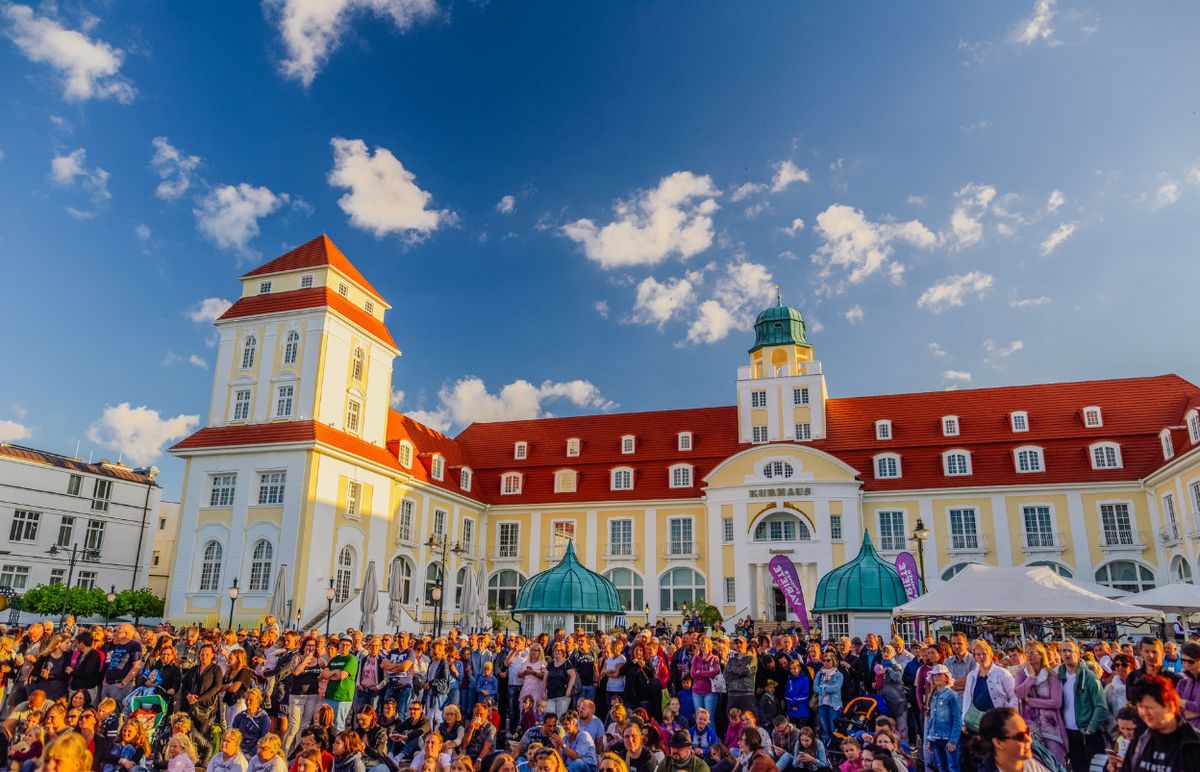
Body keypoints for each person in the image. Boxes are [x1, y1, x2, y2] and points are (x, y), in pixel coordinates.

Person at [1109, 674, 1200, 771]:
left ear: (1170, 705)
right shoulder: (1140, 738)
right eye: (1140, 707)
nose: (1144, 713)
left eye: (1149, 707)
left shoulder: (1193, 744)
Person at [1057, 641, 1108, 772]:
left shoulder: (1090, 677)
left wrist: (1091, 728)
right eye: (1063, 651)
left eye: (1070, 651)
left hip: (1088, 733)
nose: (1067, 654)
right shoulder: (1058, 677)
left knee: (1096, 769)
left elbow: (1101, 707)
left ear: (1078, 654)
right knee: (1078, 768)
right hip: (1069, 733)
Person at [1014, 642, 1066, 766]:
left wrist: (1031, 702)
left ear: (1041, 655)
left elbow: (1056, 702)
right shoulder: (1022, 673)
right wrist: (1031, 677)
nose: (1029, 656)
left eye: (1033, 653)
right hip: (1030, 726)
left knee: (1056, 763)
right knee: (1036, 764)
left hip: (1051, 726)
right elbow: (1019, 694)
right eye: (1027, 653)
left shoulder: (1051, 675)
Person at [971, 708, 1052, 772]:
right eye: (1020, 736)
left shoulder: (1037, 751)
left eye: (1027, 731)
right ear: (998, 743)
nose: (1029, 740)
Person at [925, 664, 961, 772]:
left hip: (947, 738)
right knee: (941, 766)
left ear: (946, 677)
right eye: (934, 675)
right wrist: (929, 738)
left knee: (952, 766)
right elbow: (932, 719)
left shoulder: (951, 695)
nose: (936, 677)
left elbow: (957, 718)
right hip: (936, 738)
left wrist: (953, 740)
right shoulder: (934, 695)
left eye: (939, 674)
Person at [814, 652, 844, 747]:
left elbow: (836, 688)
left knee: (833, 728)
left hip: (834, 705)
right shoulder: (820, 673)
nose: (826, 662)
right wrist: (824, 688)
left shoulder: (838, 674)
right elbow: (815, 688)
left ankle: (835, 748)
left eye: (828, 660)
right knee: (824, 728)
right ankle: (827, 748)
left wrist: (823, 687)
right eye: (824, 660)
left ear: (833, 661)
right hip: (822, 704)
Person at [1177, 641, 1200, 731]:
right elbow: (1174, 704)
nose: (1186, 664)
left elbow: (1198, 706)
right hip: (1185, 730)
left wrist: (1182, 703)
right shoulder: (1183, 682)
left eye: (1190, 661)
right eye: (1183, 660)